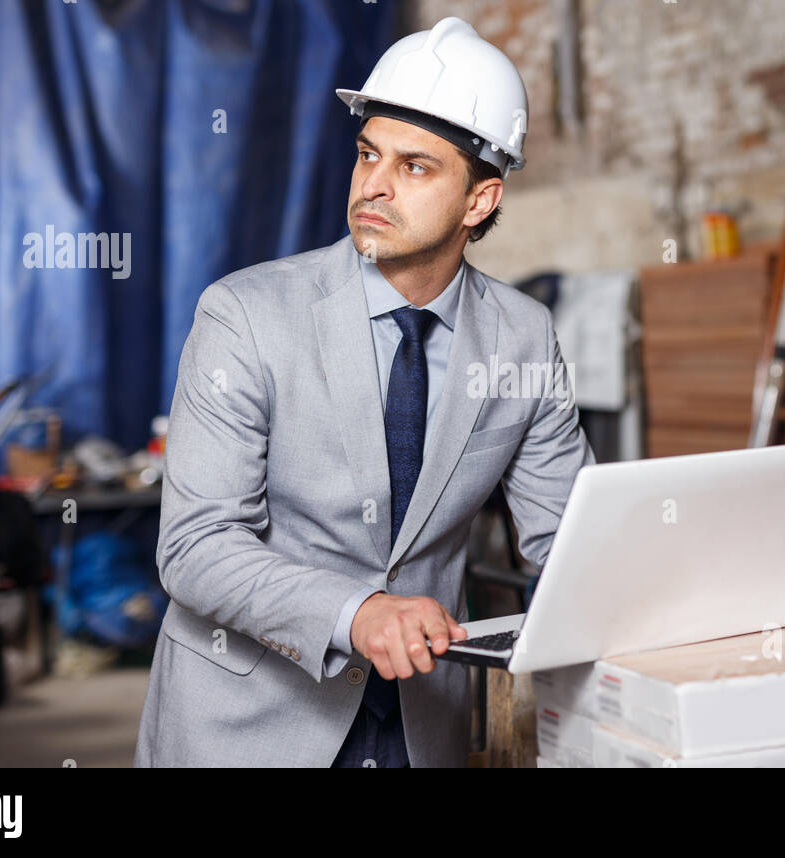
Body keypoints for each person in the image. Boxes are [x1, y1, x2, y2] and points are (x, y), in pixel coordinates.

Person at [135, 16, 594, 767]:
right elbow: (196, 547)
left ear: (479, 201)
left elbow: (571, 538)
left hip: (421, 723)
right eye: (368, 154)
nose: (374, 185)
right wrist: (358, 614)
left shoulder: (522, 335)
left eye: (415, 167)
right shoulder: (246, 315)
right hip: (253, 723)